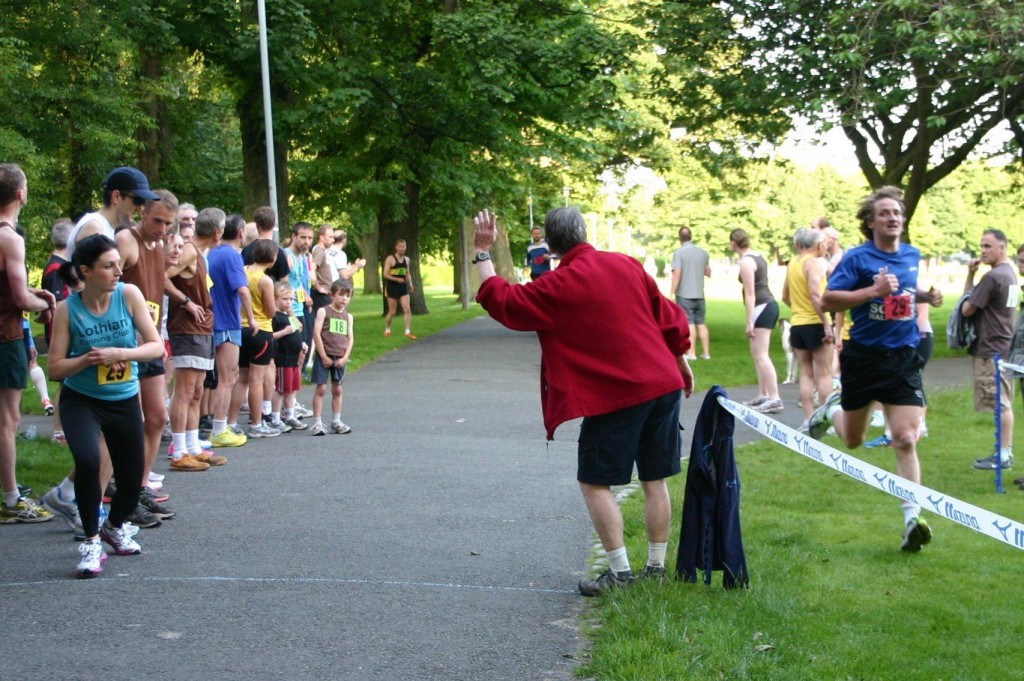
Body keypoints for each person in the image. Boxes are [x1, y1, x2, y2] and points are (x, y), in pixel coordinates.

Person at [473, 206, 693, 596]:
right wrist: (679, 360)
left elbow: (505, 302)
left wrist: (483, 254)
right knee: (654, 478)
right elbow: (669, 317)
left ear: (552, 247)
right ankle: (656, 568)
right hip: (663, 384)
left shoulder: (558, 286)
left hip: (617, 395)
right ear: (584, 232)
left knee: (594, 482)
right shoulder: (626, 264)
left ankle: (621, 574)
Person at [807, 186, 943, 552]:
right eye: (885, 213)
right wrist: (872, 291)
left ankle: (913, 518)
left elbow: (902, 294)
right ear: (871, 222)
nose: (893, 217)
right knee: (854, 439)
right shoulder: (856, 258)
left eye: (897, 212)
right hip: (864, 358)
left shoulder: (913, 255)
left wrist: (924, 298)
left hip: (902, 359)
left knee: (906, 437)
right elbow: (828, 299)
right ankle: (830, 410)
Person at [47, 234, 164, 577]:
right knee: (88, 459)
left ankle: (114, 526)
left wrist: (121, 354)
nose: (118, 272)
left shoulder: (129, 295)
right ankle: (91, 540)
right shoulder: (69, 309)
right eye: (109, 266)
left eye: (119, 265)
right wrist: (89, 359)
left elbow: (156, 346)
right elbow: (55, 368)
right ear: (86, 271)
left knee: (130, 483)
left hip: (123, 399)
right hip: (81, 400)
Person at [0, 164, 57, 523]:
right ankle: (11, 500)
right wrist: (46, 303)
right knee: (8, 419)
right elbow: (20, 298)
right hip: (5, 337)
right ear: (21, 194)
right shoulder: (10, 237)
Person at [116, 189, 177, 520]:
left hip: (151, 340)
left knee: (157, 417)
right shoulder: (127, 240)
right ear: (142, 213)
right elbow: (106, 282)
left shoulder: (159, 246)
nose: (161, 229)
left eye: (168, 223)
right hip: (127, 343)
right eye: (156, 220)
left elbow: (158, 287)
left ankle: (139, 487)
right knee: (128, 420)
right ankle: (120, 491)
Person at [165, 226, 224, 470]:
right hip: (187, 328)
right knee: (185, 391)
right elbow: (161, 277)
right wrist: (186, 301)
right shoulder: (190, 252)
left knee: (197, 391)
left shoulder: (199, 254)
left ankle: (192, 447)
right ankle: (179, 452)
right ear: (218, 231)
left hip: (202, 327)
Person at [962, 229, 1018, 470]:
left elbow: (967, 308)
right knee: (1002, 400)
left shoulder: (994, 277)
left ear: (1002, 248)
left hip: (991, 348)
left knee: (999, 402)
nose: (983, 251)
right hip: (1005, 345)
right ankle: (1002, 451)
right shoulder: (1010, 274)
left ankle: (1003, 455)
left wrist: (971, 276)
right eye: (981, 246)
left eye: (988, 246)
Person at [206, 210, 255, 447]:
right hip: (226, 322)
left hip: (212, 320)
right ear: (241, 232)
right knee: (228, 377)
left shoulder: (211, 254)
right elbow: (242, 290)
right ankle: (219, 429)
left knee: (215, 379)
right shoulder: (232, 256)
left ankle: (213, 427)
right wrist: (252, 318)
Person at [781, 228, 834, 426]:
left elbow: (785, 296)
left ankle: (808, 418)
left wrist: (798, 310)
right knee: (824, 373)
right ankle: (825, 419)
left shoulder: (793, 263)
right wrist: (826, 324)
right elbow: (815, 294)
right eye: (823, 242)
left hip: (798, 324)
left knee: (805, 371)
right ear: (817, 244)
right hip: (816, 323)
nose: (826, 246)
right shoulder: (812, 264)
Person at [228, 238, 280, 438]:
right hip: (261, 330)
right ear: (273, 258)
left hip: (240, 328)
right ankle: (257, 423)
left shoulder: (244, 270)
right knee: (256, 380)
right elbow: (270, 311)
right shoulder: (264, 280)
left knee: (241, 379)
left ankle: (231, 421)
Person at [729, 228, 783, 414]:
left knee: (761, 355)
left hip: (762, 306)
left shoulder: (746, 262)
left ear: (733, 243)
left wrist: (749, 321)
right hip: (767, 305)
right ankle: (764, 394)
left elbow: (751, 293)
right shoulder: (757, 256)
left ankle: (774, 397)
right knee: (758, 354)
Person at [66, 166, 159, 259]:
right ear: (116, 196)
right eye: (138, 201)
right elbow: (87, 272)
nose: (140, 209)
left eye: (144, 202)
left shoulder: (108, 228)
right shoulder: (95, 228)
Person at [309, 278, 355, 436]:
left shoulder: (348, 317)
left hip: (340, 357)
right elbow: (316, 333)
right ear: (332, 295)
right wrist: (322, 355)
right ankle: (317, 422)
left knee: (337, 389)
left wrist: (344, 358)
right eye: (341, 295)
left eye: (348, 296)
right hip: (325, 356)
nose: (344, 299)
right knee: (321, 388)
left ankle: (336, 420)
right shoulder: (323, 311)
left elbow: (350, 338)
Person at [269, 280, 308, 432]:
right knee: (280, 389)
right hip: (283, 358)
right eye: (285, 299)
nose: (289, 302)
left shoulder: (288, 315)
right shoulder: (276, 317)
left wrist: (301, 345)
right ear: (275, 299)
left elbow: (298, 328)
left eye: (291, 299)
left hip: (294, 359)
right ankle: (275, 418)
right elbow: (270, 336)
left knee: (291, 389)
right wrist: (284, 332)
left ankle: (290, 415)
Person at [670, 226, 712, 360]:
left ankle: (691, 353)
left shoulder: (679, 253)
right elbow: (708, 272)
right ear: (691, 236)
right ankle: (706, 353)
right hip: (700, 294)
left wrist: (672, 292)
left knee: (689, 323)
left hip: (685, 294)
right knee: (701, 322)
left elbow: (677, 273)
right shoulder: (703, 253)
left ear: (679, 238)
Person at [383, 238, 415, 339]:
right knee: (392, 312)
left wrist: (410, 283)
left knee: (407, 308)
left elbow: (407, 273)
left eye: (404, 246)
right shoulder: (390, 259)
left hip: (403, 287)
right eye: (400, 246)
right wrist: (396, 279)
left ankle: (407, 331)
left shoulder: (407, 260)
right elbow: (385, 274)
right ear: (396, 247)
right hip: (392, 286)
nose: (402, 248)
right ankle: (387, 328)